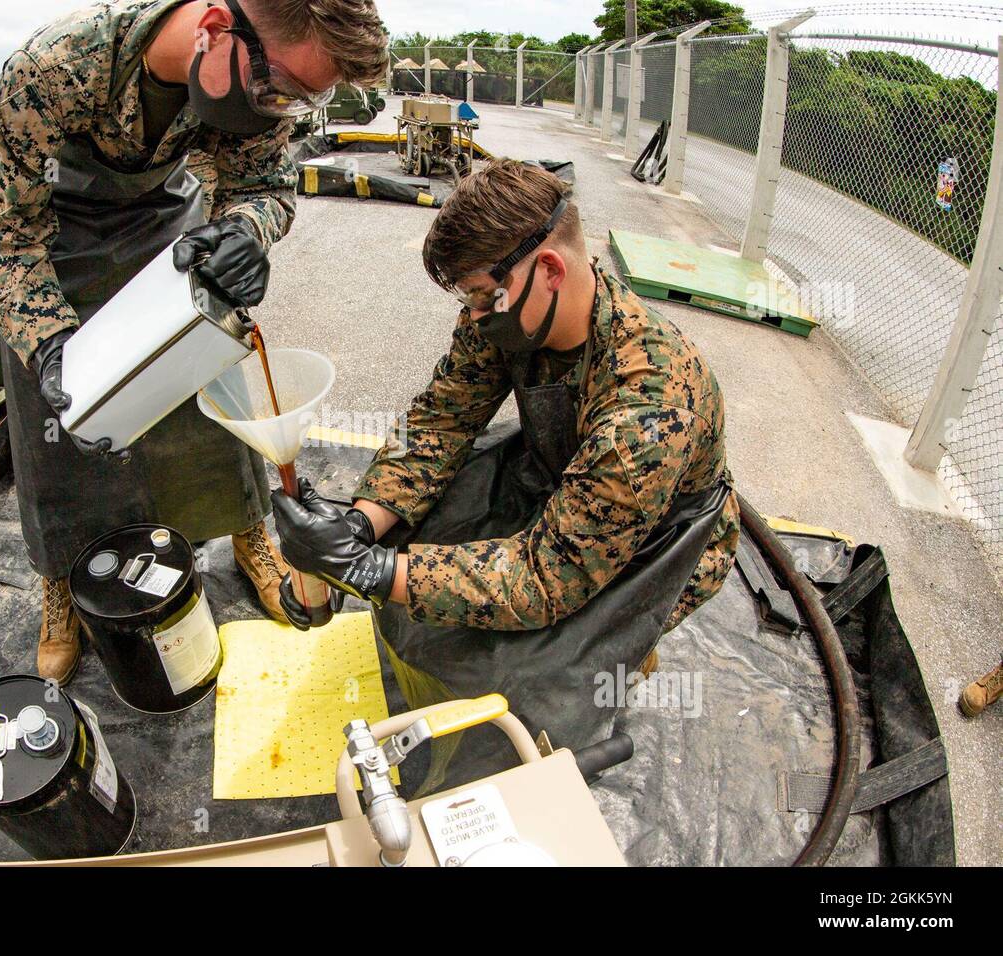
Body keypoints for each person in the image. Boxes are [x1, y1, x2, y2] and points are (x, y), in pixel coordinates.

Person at [0, 0, 388, 682]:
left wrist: (244, 233)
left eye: (298, 100)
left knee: (207, 397)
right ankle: (61, 574)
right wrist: (48, 342)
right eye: (275, 90)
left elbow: (264, 187)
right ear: (216, 28)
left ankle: (247, 529)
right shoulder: (54, 67)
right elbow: (4, 232)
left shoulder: (258, 71)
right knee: (54, 428)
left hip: (165, 224)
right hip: (56, 245)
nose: (278, 109)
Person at [272, 160, 740, 759]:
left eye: (479, 296)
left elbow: (545, 578)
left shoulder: (649, 406)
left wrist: (369, 571)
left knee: (522, 680)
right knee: (413, 531)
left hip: (657, 543)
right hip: (558, 477)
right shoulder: (501, 309)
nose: (472, 314)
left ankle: (625, 651)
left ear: (548, 270)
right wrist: (358, 527)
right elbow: (441, 420)